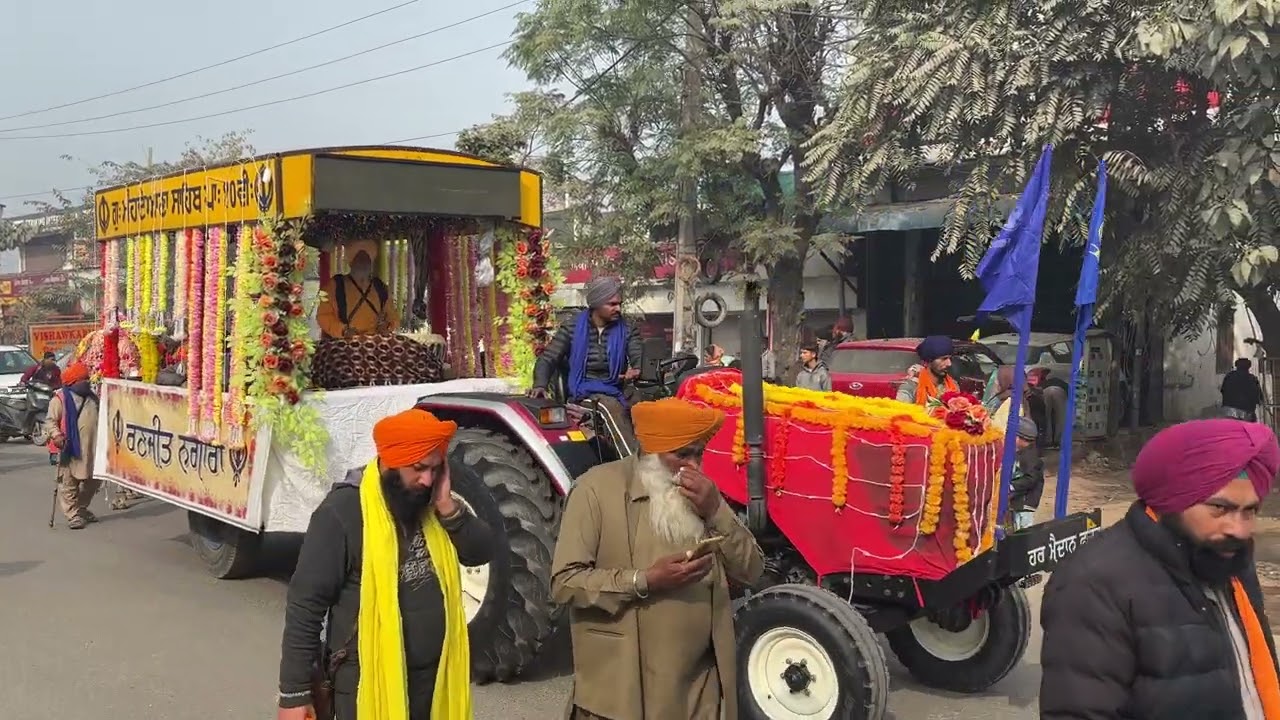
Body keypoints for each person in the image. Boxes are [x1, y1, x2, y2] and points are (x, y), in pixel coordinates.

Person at [1040, 419, 1280, 720]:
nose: (1238, 528)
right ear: (1173, 500)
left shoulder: (1229, 560)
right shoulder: (1094, 584)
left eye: (1250, 511)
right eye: (1220, 508)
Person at [552, 397, 765, 720]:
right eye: (682, 455)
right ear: (651, 451)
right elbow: (565, 583)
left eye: (699, 454)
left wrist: (715, 510)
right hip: (622, 695)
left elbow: (752, 570)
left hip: (698, 694)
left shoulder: (703, 498)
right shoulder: (595, 490)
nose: (693, 466)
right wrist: (645, 580)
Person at [276, 408, 492, 720]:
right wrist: (294, 694)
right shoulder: (343, 513)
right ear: (390, 462)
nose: (428, 479)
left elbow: (480, 552)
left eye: (435, 469)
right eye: (419, 468)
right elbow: (305, 605)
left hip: (433, 684)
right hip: (367, 687)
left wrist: (447, 505)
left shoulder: (431, 505)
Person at [531, 276, 643, 435]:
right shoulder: (572, 327)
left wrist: (637, 369)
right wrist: (540, 385)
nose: (618, 309)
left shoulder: (628, 328)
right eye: (612, 304)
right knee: (610, 406)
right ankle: (631, 458)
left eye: (620, 304)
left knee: (646, 408)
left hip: (616, 389)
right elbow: (548, 358)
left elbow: (638, 355)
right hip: (583, 392)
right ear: (596, 304)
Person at [45, 362, 99, 530]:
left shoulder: (92, 397)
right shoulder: (60, 399)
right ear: (73, 382)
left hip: (92, 448)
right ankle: (72, 514)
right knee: (69, 482)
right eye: (83, 380)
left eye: (87, 379)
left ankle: (81, 508)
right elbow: (50, 422)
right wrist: (57, 436)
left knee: (94, 481)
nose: (87, 382)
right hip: (70, 448)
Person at [317, 239, 400, 340]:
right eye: (359, 258)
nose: (363, 262)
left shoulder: (380, 287)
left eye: (366, 258)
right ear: (351, 262)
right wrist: (343, 330)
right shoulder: (333, 285)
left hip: (375, 344)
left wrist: (387, 326)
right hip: (344, 344)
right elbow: (322, 316)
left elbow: (393, 317)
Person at [896, 335, 958, 404]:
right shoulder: (911, 386)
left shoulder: (953, 385)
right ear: (928, 361)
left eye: (950, 358)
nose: (949, 364)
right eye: (943, 359)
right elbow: (901, 412)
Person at [1008, 416, 1043, 531]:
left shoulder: (1030, 457)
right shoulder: (1020, 452)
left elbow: (1031, 479)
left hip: (1025, 502)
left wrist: (1012, 486)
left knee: (1023, 530)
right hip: (1017, 501)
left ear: (1020, 438)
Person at [1222, 357, 1265, 422]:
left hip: (1229, 411)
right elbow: (1259, 397)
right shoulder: (1252, 379)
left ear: (1236, 366)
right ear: (1248, 367)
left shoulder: (1229, 376)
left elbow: (1223, 390)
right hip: (1246, 413)